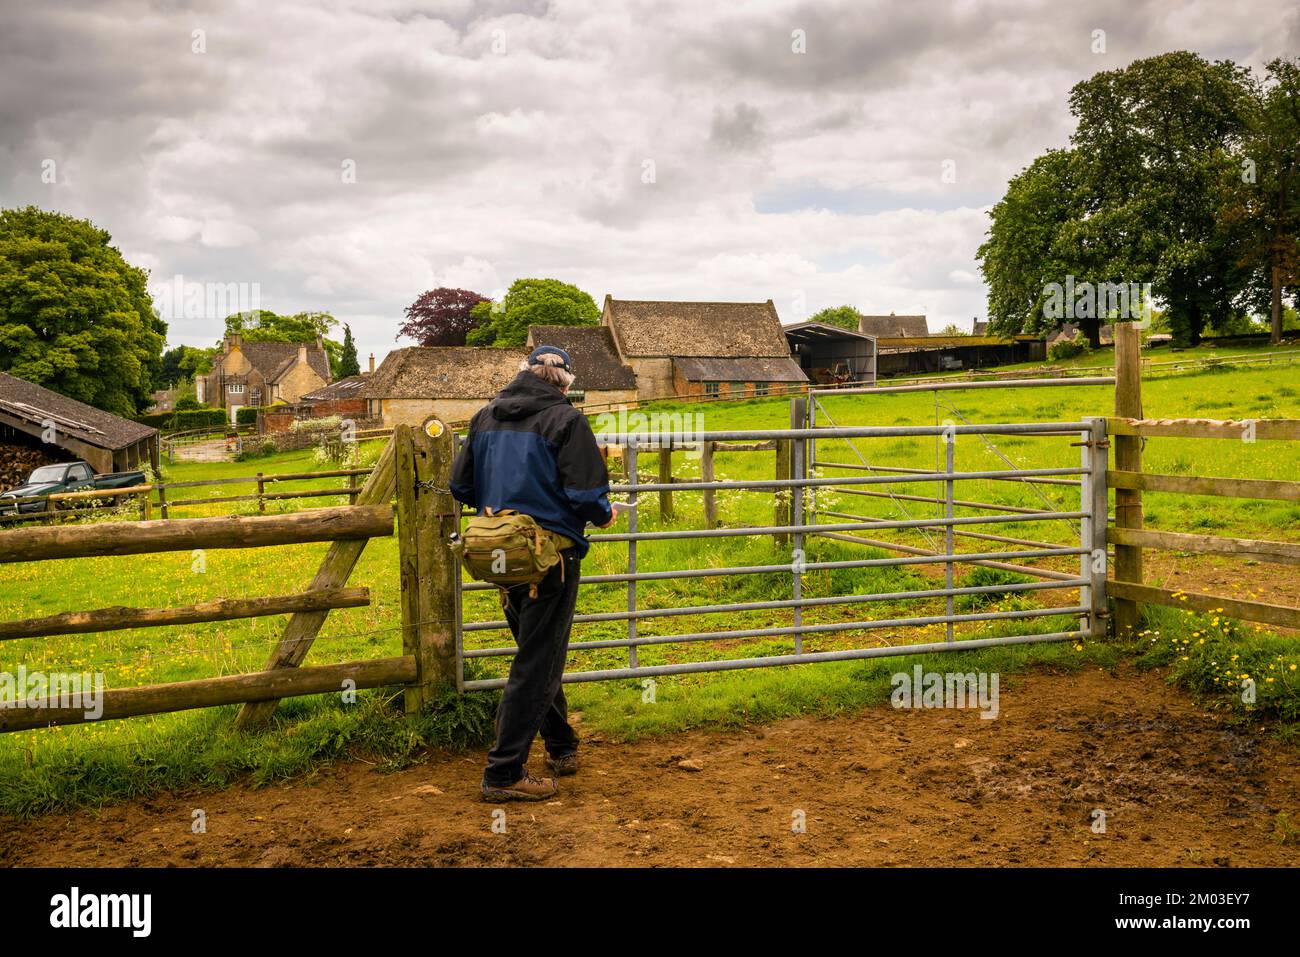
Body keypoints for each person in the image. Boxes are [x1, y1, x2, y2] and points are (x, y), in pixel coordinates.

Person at [450, 345, 619, 801]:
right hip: (549, 557)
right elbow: (586, 494)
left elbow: (460, 485)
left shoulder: (484, 417)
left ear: (523, 374)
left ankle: (562, 745)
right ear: (565, 382)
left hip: (498, 552)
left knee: (535, 652)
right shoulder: (566, 420)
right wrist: (605, 514)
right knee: (538, 662)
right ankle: (503, 774)